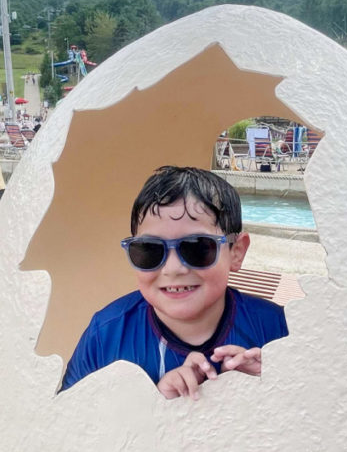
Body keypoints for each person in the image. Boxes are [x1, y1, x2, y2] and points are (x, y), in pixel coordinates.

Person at [61, 166, 288, 400]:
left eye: (198, 247)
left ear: (236, 252)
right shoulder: (105, 335)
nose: (173, 268)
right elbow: (64, 423)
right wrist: (156, 405)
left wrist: (274, 386)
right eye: (150, 249)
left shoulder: (277, 330)